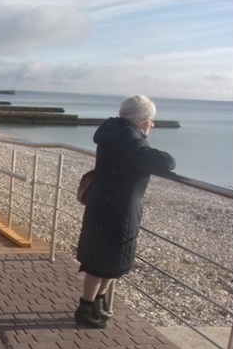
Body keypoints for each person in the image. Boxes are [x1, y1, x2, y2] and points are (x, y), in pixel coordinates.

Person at [75, 95, 176, 329]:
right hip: (119, 210)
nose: (153, 125)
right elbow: (166, 162)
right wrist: (144, 140)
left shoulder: (112, 133)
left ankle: (96, 303)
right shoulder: (132, 142)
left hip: (103, 204)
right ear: (143, 121)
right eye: (151, 121)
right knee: (104, 262)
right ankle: (86, 309)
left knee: (106, 261)